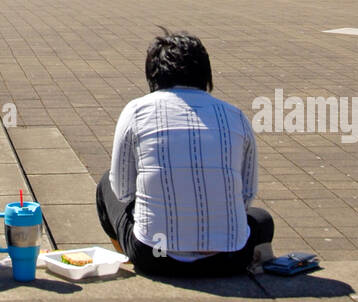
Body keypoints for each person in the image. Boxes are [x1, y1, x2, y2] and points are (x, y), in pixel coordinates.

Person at [96, 30, 274, 277]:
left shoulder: (136, 111)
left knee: (106, 182)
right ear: (205, 75)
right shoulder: (235, 116)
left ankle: (128, 258)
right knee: (262, 220)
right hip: (228, 257)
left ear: (153, 76)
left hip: (156, 256)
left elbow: (123, 191)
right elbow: (246, 195)